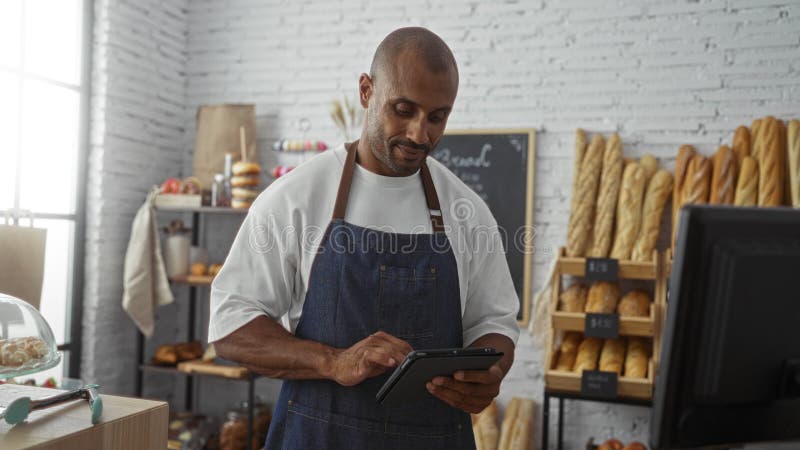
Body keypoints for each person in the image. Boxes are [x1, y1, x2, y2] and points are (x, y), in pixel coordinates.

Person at [209, 27, 520, 449]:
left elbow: (495, 322)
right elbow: (231, 325)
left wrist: (492, 372)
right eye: (404, 109)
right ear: (366, 91)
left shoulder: (467, 212)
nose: (419, 135)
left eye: (437, 117)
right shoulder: (297, 198)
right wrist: (332, 361)